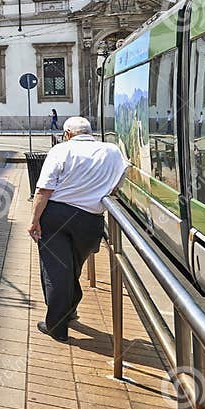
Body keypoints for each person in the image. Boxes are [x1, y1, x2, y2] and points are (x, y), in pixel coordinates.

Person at [28, 116, 128, 342]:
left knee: (56, 271)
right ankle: (69, 308)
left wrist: (34, 220)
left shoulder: (60, 150)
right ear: (90, 133)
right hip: (90, 220)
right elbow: (117, 185)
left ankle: (57, 327)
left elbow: (43, 190)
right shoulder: (112, 151)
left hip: (56, 217)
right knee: (73, 268)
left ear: (67, 134)